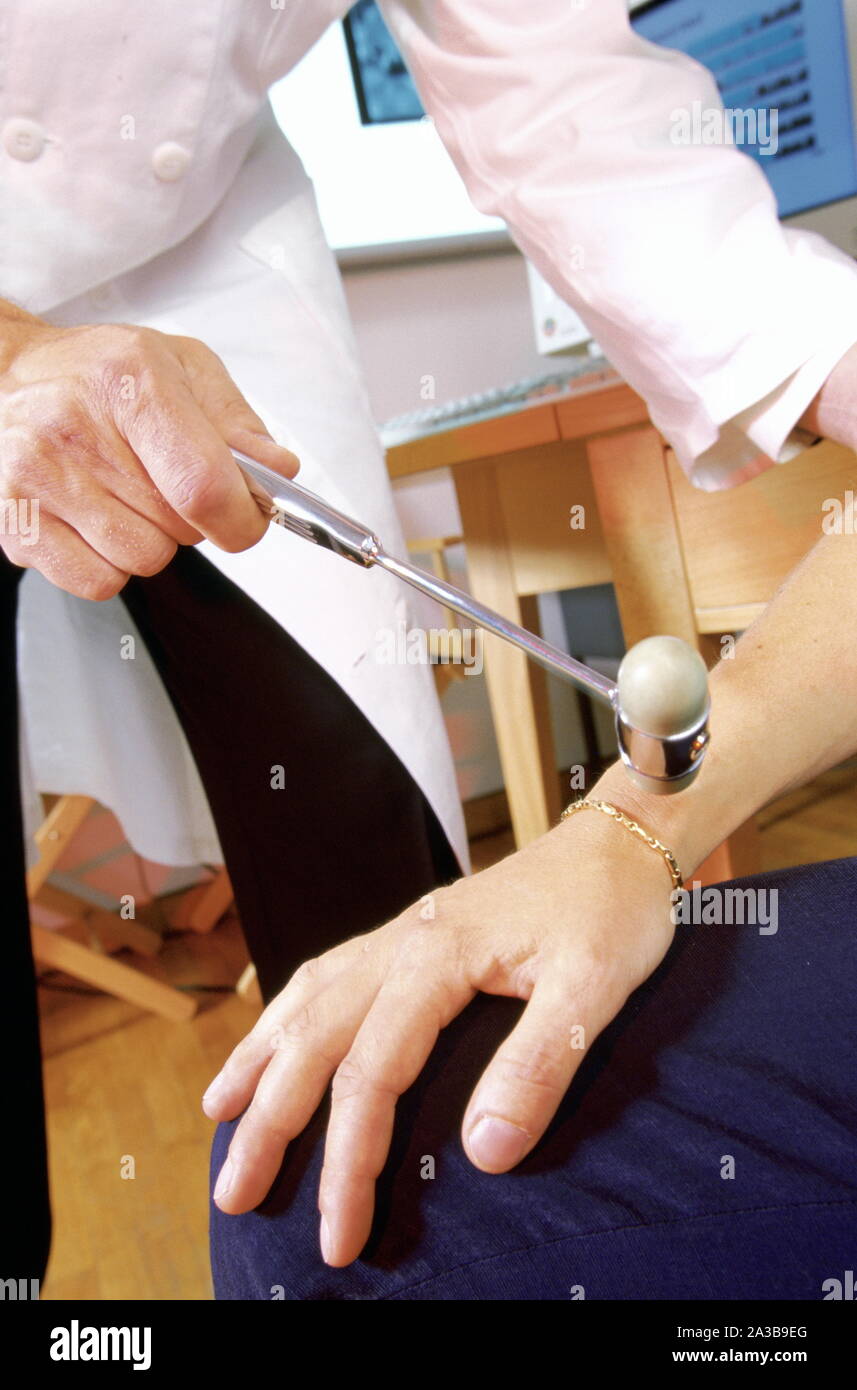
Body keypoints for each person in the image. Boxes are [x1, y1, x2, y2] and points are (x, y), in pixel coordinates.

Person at [2, 0, 856, 1289]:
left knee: (360, 1070)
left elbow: (547, 78)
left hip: (200, 250)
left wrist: (816, 343)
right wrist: (638, 828)